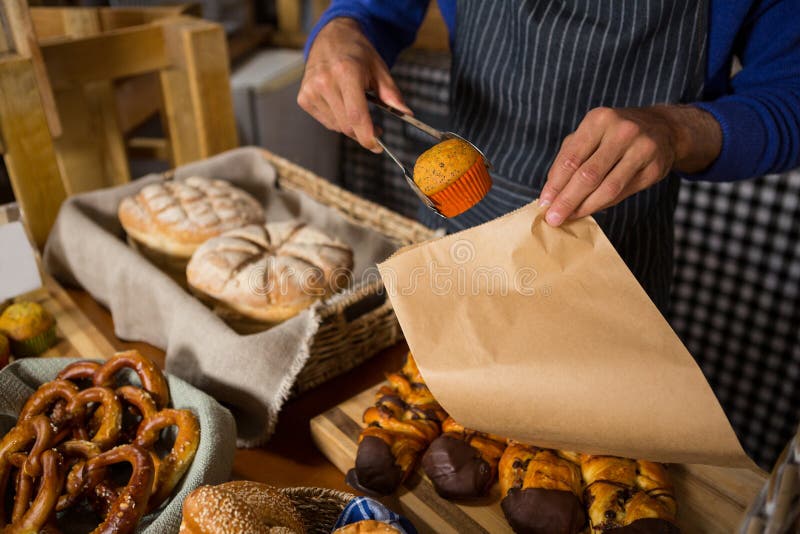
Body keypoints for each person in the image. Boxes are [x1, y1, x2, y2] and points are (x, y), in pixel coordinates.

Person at [298, 1, 800, 312]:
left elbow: (790, 93)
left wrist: (679, 130)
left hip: (618, 258)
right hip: (469, 232)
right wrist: (346, 24)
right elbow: (373, 8)